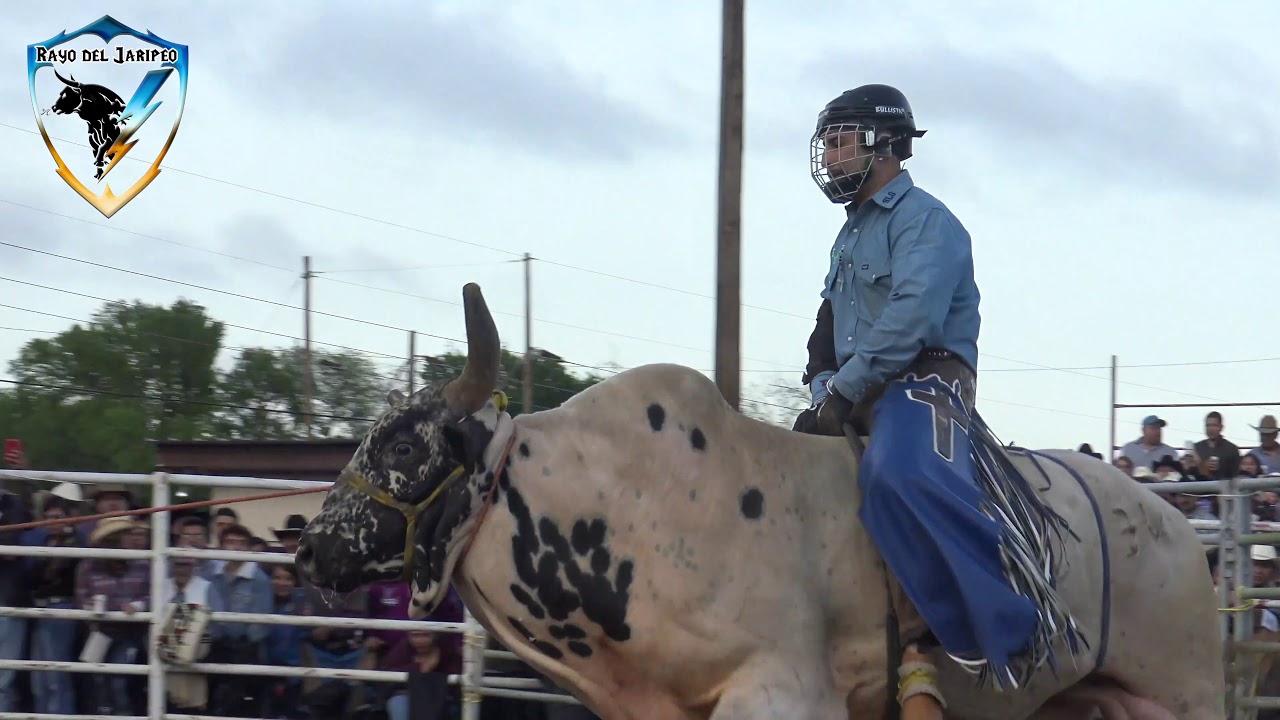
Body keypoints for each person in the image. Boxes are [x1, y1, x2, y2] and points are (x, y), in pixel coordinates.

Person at [793, 83, 1082, 690]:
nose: (831, 156)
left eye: (841, 141)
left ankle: (1006, 626)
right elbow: (829, 320)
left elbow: (912, 317)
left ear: (881, 145)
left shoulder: (928, 221)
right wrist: (822, 383)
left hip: (926, 378)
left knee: (896, 472)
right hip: (859, 381)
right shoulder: (849, 234)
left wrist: (844, 391)